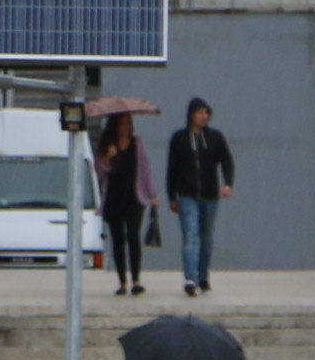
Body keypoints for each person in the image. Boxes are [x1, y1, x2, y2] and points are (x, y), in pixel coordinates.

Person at [165, 99, 235, 297]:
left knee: (207, 238)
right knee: (191, 236)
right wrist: (172, 195)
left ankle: (203, 276)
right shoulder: (180, 138)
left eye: (206, 112)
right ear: (191, 115)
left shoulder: (215, 138)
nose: (203, 116)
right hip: (187, 195)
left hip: (210, 195)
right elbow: (173, 169)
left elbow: (227, 161)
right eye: (199, 112)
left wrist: (228, 182)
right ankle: (190, 278)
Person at [95, 114, 156, 296]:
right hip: (114, 198)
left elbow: (146, 170)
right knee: (118, 240)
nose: (125, 127)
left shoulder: (137, 144)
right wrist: (108, 158)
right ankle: (122, 282)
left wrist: (152, 194)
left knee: (133, 236)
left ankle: (136, 280)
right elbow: (101, 172)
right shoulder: (107, 145)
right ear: (114, 125)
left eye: (128, 123)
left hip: (134, 198)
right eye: (121, 123)